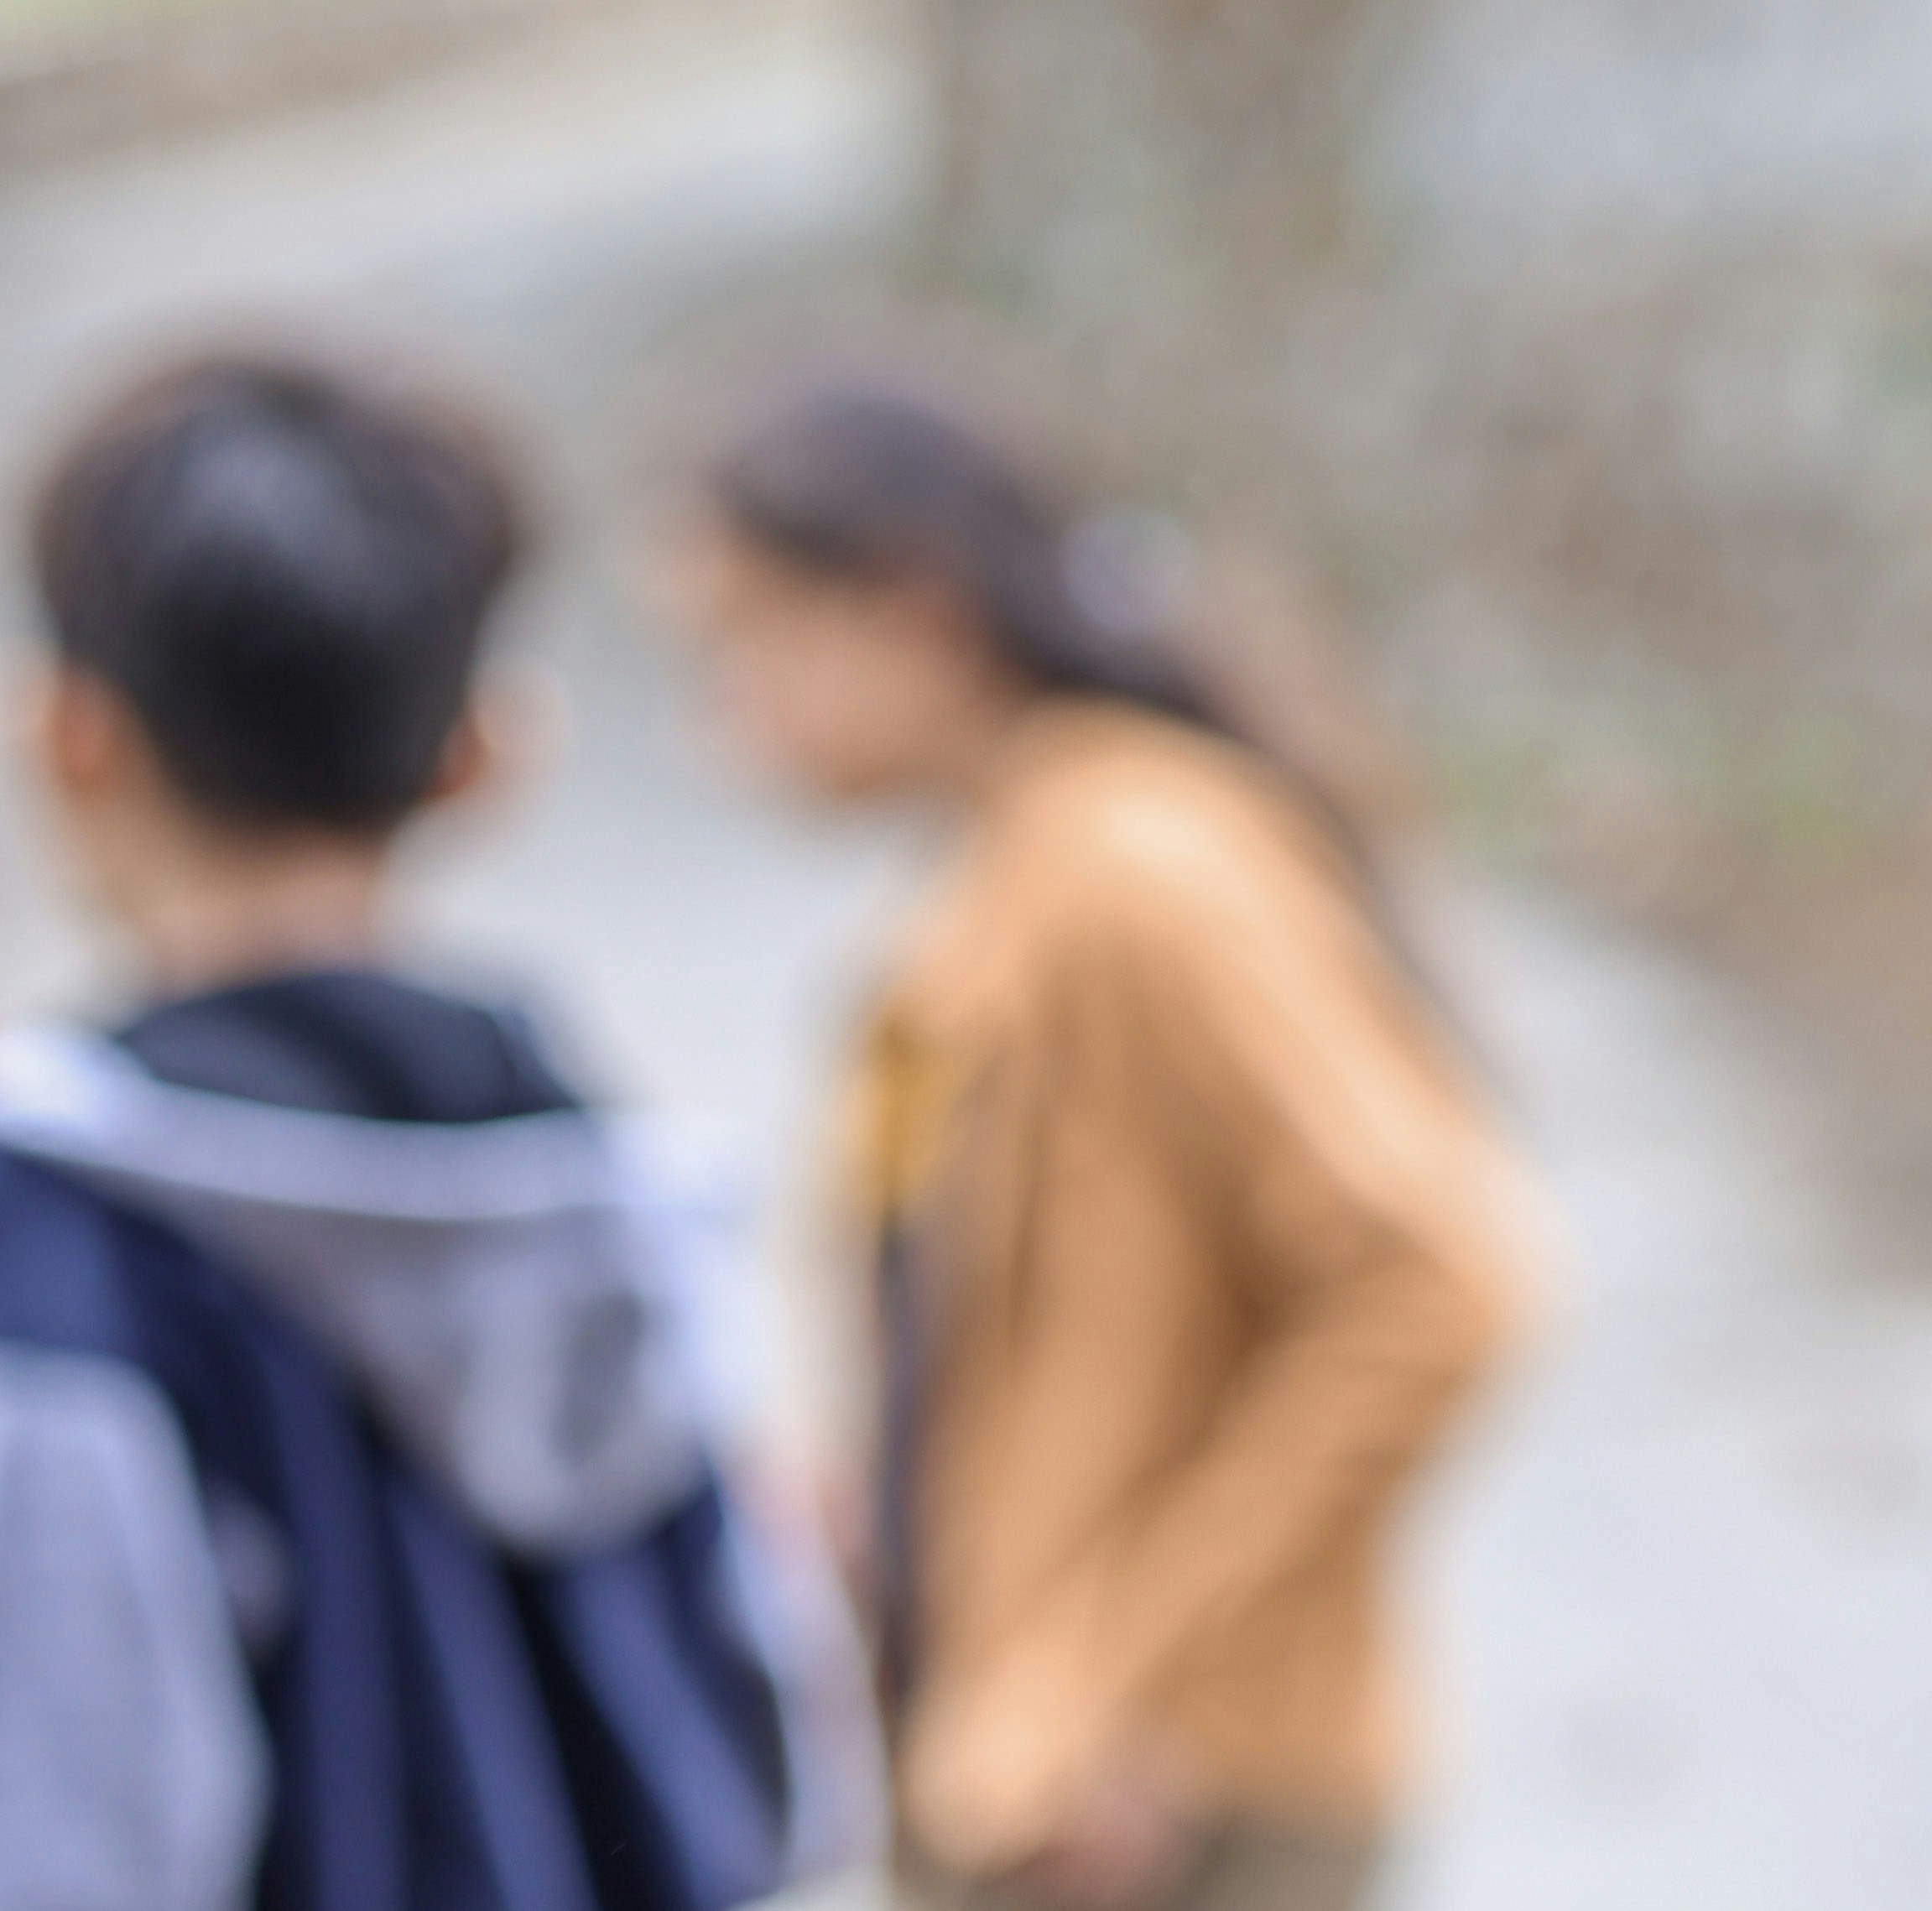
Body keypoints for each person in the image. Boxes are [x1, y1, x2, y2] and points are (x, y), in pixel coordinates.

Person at [0, 353, 855, 1911]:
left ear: (68, 735)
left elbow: (73, 1842)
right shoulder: (611, 1184)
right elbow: (780, 1755)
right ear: (482, 753)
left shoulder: (54, 1250)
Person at [669, 379, 1534, 1911]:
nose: (721, 706)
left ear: (916, 612)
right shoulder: (1004, 874)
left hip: (1170, 1801)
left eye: (747, 636)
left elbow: (1433, 1279)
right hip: (1027, 1773)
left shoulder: (1135, 862)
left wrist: (1113, 1676)